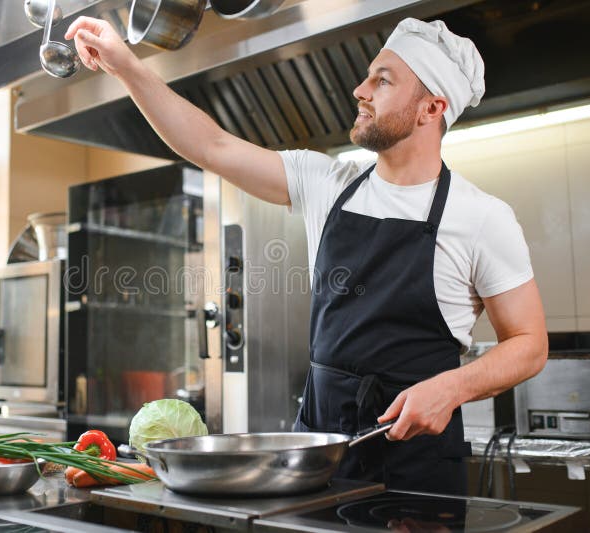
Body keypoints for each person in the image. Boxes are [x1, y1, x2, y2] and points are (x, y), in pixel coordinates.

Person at [64, 16, 548, 495]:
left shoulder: (482, 217)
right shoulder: (327, 184)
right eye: (367, 75)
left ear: (431, 107)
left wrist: (452, 388)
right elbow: (210, 145)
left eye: (382, 80)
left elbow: (529, 343)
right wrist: (126, 64)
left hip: (415, 469)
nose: (360, 89)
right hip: (319, 454)